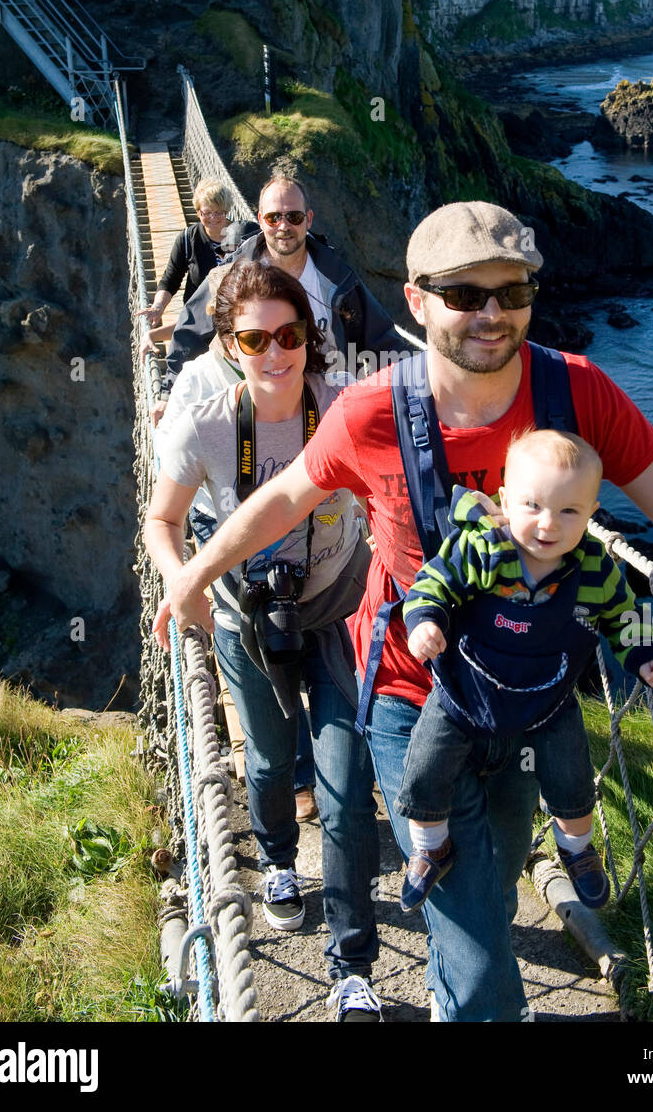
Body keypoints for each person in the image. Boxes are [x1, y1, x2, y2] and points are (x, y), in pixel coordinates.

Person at [162, 199, 653, 1022]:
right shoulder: (370, 412)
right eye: (464, 294)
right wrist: (192, 574)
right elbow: (286, 497)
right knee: (475, 938)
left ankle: (450, 991)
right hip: (408, 696)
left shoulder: (578, 395)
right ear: (416, 301)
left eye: (514, 290)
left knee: (498, 878)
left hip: (531, 698)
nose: (492, 313)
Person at [145, 259, 382, 1022]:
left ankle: (352, 965)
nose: (275, 353)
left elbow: (393, 489)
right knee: (271, 759)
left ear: (310, 337)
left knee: (347, 789)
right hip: (244, 614)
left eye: (289, 335)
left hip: (339, 605)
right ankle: (278, 861)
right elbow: (161, 521)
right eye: (254, 339)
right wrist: (181, 579)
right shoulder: (205, 422)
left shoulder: (345, 404)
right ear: (229, 343)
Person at [396, 428, 653, 914]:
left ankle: (578, 850)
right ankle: (431, 847)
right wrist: (424, 622)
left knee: (572, 778)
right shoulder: (481, 548)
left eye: (569, 511)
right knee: (424, 768)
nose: (548, 524)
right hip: (466, 691)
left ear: (591, 514)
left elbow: (622, 616)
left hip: (547, 702)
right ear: (505, 500)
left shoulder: (595, 570)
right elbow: (431, 586)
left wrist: (644, 654)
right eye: (532, 506)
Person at [151, 170, 403, 422]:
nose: (284, 226)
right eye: (273, 218)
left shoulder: (336, 278)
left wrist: (407, 400)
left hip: (328, 409)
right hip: (252, 414)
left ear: (309, 219)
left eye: (294, 216)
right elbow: (191, 331)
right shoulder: (231, 274)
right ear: (260, 220)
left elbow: (382, 341)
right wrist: (167, 393)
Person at [138, 177, 233, 358]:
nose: (213, 218)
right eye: (207, 213)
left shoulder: (245, 234)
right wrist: (158, 307)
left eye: (219, 212)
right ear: (198, 212)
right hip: (200, 320)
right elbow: (170, 279)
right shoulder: (188, 240)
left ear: (227, 210)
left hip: (237, 321)